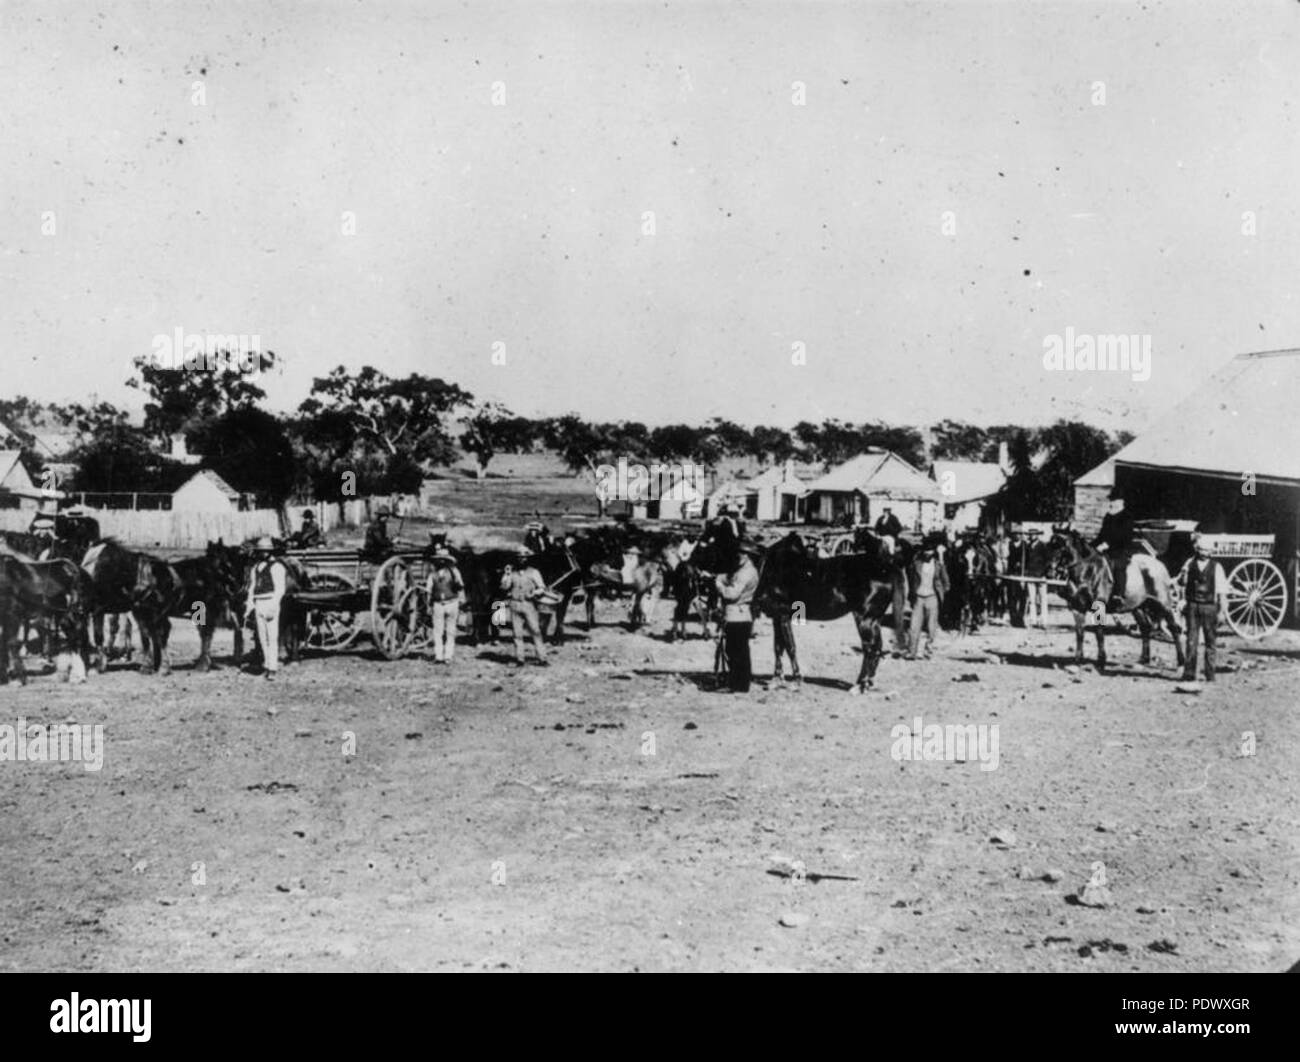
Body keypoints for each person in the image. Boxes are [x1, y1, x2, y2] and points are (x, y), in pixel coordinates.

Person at [1178, 535, 1227, 683]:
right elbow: (1182, 583)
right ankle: (1189, 673)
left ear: (1211, 551)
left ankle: (1210, 674)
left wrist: (1222, 612)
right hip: (1192, 605)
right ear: (1196, 549)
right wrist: (1183, 575)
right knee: (1191, 640)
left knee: (1210, 641)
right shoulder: (1189, 563)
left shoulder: (1216, 567)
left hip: (1209, 606)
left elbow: (1222, 592)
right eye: (1200, 549)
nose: (1203, 552)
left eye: (1206, 550)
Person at [716, 546, 759, 692]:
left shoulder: (744, 573)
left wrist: (719, 585)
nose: (738, 555)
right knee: (739, 651)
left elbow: (731, 594)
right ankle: (740, 683)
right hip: (742, 614)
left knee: (736, 652)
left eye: (742, 553)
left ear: (747, 555)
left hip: (736, 615)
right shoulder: (747, 571)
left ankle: (737, 685)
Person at [246, 536, 288, 679]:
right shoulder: (256, 567)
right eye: (260, 551)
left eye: (265, 551)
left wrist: (274, 606)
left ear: (270, 551)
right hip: (259, 602)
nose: (263, 553)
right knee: (262, 637)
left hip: (270, 602)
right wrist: (249, 606)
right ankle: (266, 664)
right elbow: (252, 588)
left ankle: (273, 668)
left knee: (272, 637)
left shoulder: (277, 567)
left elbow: (280, 589)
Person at [500, 547, 548, 666]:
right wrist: (506, 574)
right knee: (517, 633)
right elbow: (504, 587)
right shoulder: (512, 573)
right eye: (519, 557)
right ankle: (520, 659)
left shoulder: (534, 572)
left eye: (524, 557)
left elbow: (542, 587)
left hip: (528, 604)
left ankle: (542, 658)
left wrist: (535, 593)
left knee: (535, 631)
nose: (522, 560)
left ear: (528, 559)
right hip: (515, 604)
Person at [906, 535, 949, 660]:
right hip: (919, 598)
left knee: (931, 627)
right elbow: (910, 578)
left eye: (930, 551)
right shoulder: (916, 564)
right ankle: (912, 652)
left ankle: (928, 650)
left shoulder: (938, 565)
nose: (927, 553)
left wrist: (940, 592)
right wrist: (912, 593)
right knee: (914, 626)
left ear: (933, 552)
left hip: (932, 598)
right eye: (925, 551)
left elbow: (946, 582)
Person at [1092, 487, 1136, 607]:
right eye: (1111, 500)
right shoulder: (1108, 516)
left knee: (1117, 566)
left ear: (1121, 502)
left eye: (1114, 500)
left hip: (1121, 550)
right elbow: (1101, 535)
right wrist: (1091, 546)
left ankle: (1118, 594)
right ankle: (1098, 620)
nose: (1112, 503)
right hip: (1106, 551)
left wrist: (1108, 545)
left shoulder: (1127, 516)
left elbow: (1124, 536)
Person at [426, 543, 465, 665]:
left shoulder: (454, 572)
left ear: (447, 560)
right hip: (438, 604)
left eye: (443, 560)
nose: (441, 562)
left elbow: (460, 587)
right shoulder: (432, 575)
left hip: (452, 603)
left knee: (451, 631)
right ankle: (438, 656)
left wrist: (461, 600)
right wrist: (428, 605)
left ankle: (448, 655)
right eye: (439, 560)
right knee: (437, 631)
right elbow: (428, 591)